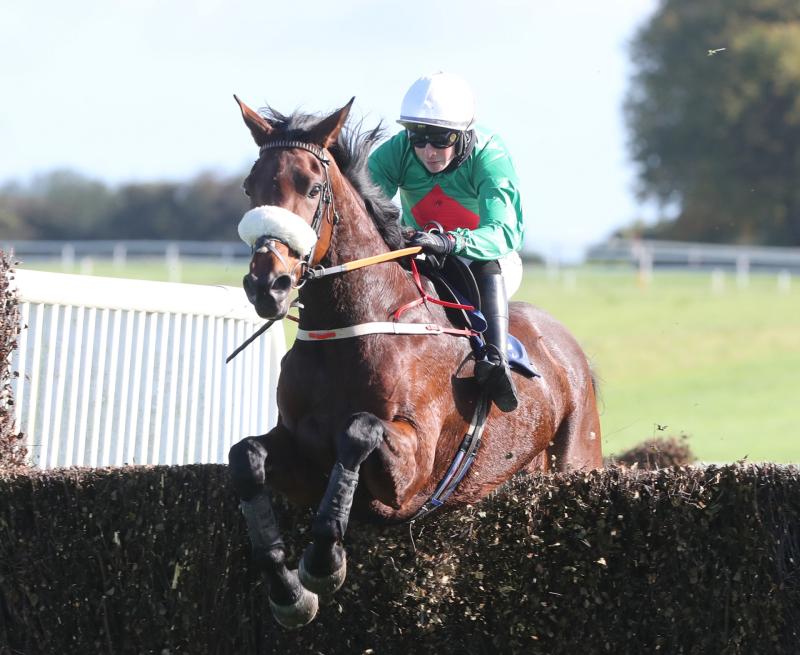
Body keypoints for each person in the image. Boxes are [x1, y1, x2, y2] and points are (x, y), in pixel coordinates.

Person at [368, 72, 526, 412]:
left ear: (464, 132)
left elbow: (506, 232)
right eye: (419, 139)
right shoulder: (396, 151)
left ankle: (495, 363)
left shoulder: (490, 156)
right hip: (423, 254)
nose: (428, 151)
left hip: (484, 261)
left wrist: (452, 242)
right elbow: (363, 209)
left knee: (488, 263)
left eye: (441, 139)